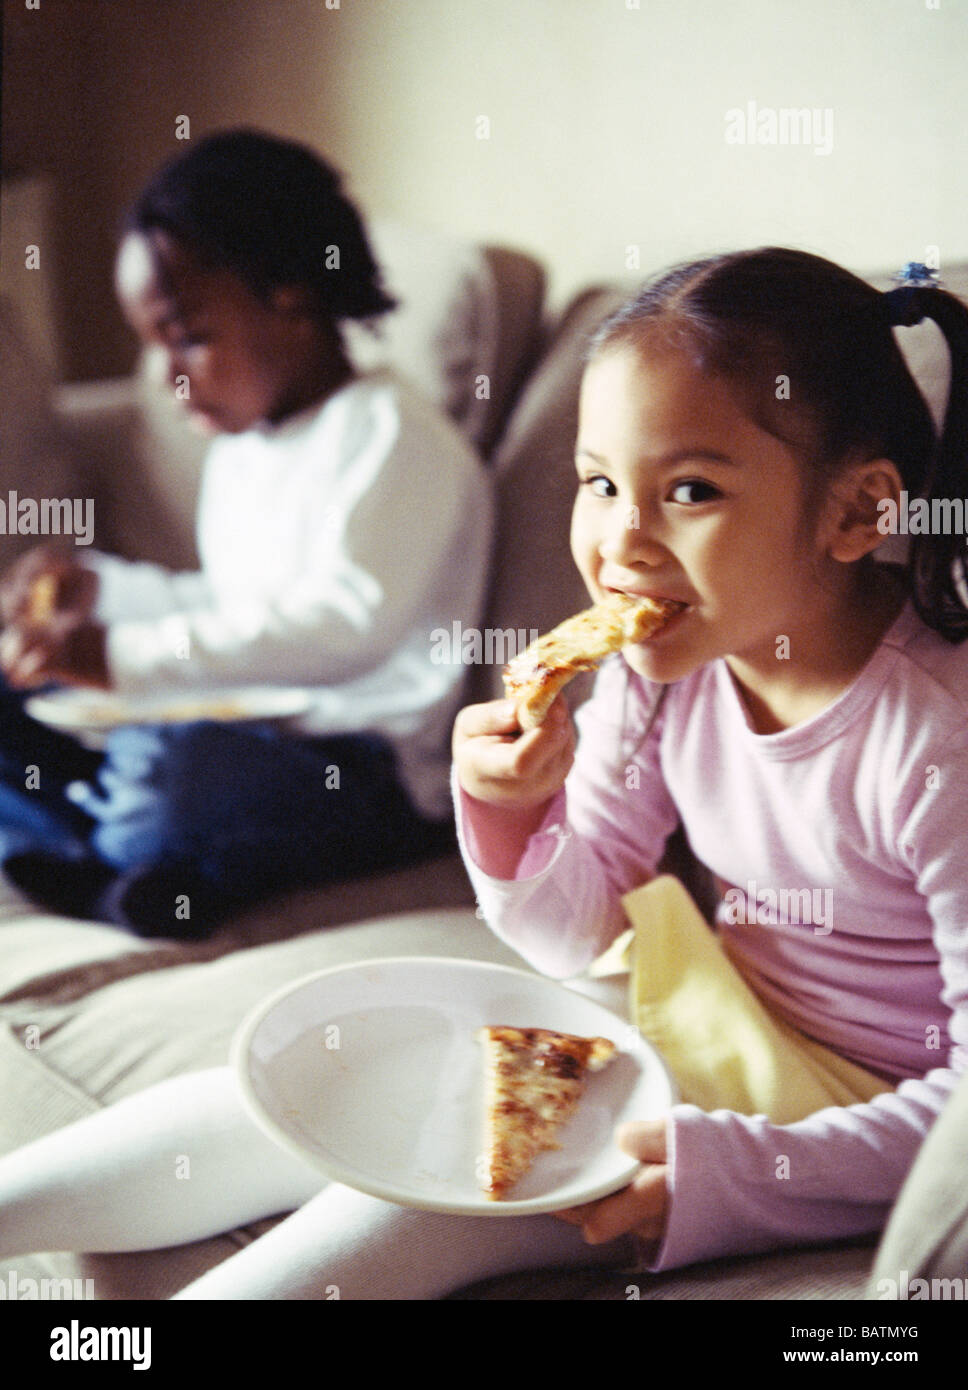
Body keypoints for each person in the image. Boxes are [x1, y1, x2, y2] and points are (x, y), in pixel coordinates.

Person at [1, 247, 965, 1300]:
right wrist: (511, 811)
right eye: (599, 484)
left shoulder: (933, 743)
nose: (618, 543)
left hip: (845, 1113)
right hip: (695, 1015)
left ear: (857, 511)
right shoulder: (664, 668)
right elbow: (579, 929)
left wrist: (732, 1172)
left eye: (688, 489)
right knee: (317, 1080)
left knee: (441, 1173)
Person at [0, 129, 492, 936]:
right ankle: (118, 847)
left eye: (187, 336)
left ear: (292, 294)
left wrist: (121, 659)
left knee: (176, 768)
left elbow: (340, 630)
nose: (165, 376)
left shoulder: (394, 439)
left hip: (363, 767)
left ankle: (120, 848)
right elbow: (232, 604)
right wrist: (104, 595)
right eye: (152, 344)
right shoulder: (246, 444)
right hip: (248, 723)